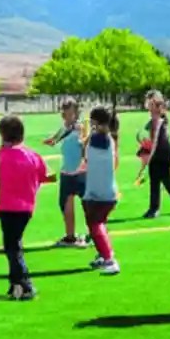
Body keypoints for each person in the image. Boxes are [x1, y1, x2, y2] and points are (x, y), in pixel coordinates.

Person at [0, 115, 57, 300]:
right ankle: (14, 284)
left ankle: (25, 284)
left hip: (8, 207)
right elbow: (47, 176)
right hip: (26, 207)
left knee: (12, 247)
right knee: (13, 243)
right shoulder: (32, 155)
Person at [136, 90, 170, 219]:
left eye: (150, 103)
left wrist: (150, 156)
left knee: (166, 180)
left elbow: (157, 141)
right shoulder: (154, 119)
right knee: (155, 180)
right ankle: (155, 208)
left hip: (162, 153)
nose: (148, 106)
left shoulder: (159, 120)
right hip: (158, 153)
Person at [43, 97, 89, 247]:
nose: (66, 116)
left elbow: (84, 144)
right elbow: (56, 138)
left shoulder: (79, 127)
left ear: (76, 113)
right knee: (65, 203)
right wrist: (51, 140)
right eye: (64, 113)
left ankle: (94, 234)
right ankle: (70, 236)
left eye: (70, 113)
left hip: (81, 171)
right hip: (67, 171)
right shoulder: (65, 127)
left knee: (88, 205)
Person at [82, 106, 121, 275]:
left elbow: (84, 153)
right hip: (104, 191)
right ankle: (102, 254)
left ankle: (109, 258)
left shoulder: (98, 139)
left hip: (99, 193)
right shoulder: (108, 138)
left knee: (95, 224)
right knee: (97, 224)